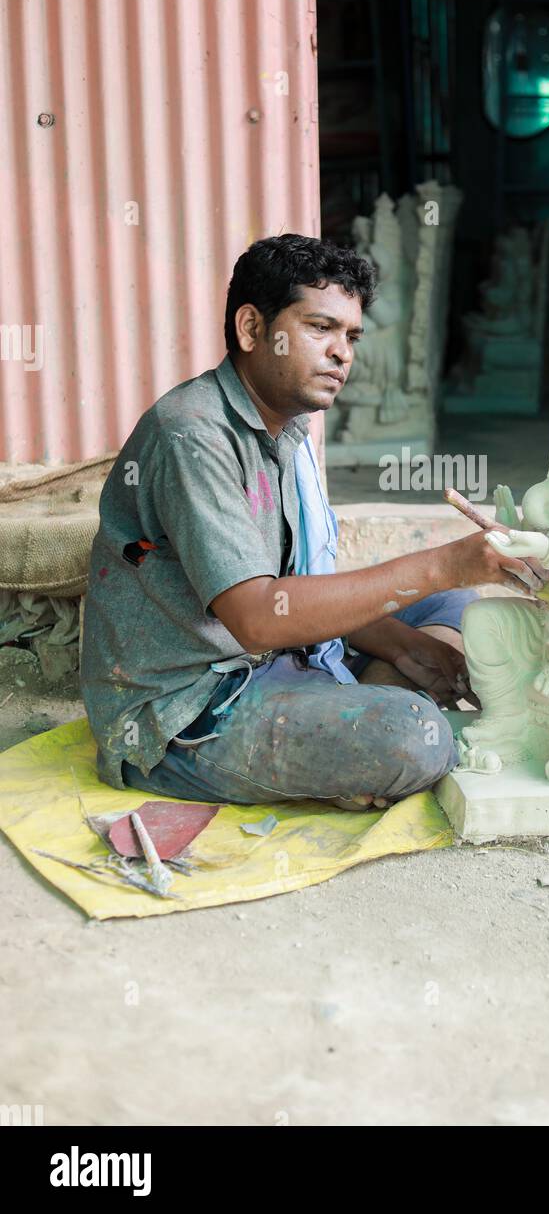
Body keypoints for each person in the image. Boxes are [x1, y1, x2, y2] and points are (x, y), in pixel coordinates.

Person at [80, 234, 513, 811]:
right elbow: (260, 618)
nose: (343, 354)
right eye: (320, 328)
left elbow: (296, 593)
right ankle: (359, 720)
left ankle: (350, 714)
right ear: (252, 329)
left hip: (272, 654)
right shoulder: (193, 434)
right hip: (194, 702)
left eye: (352, 336)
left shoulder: (283, 426)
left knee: (455, 610)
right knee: (416, 736)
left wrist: (404, 645)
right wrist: (443, 564)